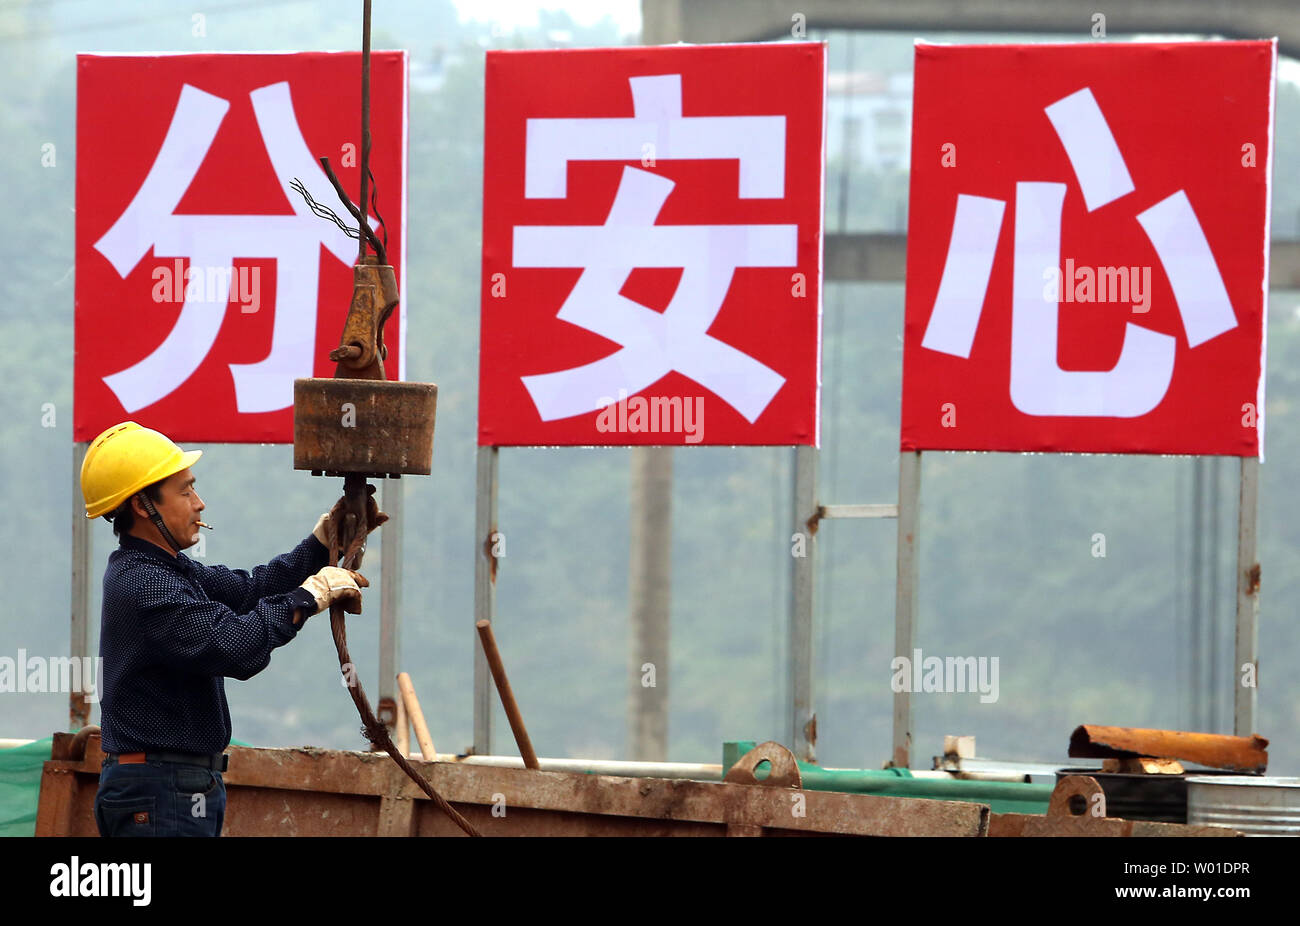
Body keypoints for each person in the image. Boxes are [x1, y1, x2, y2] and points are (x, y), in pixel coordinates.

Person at [79, 420, 384, 837]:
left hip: (174, 787)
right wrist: (307, 597)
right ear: (141, 505)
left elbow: (249, 591)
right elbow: (232, 646)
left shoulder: (164, 569)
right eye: (185, 491)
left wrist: (318, 545)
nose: (199, 503)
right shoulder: (145, 582)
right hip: (160, 790)